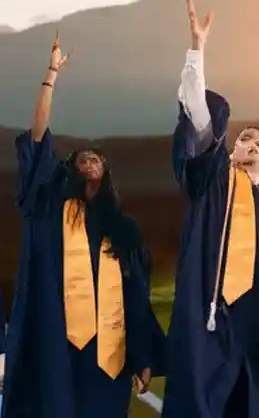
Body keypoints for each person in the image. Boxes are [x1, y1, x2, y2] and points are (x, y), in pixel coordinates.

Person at [2, 32, 164, 418]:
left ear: (107, 172)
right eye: (82, 158)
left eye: (97, 159)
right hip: (58, 346)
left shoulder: (124, 230)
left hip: (108, 358)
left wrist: (142, 356)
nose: (90, 162)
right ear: (70, 168)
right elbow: (38, 137)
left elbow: (136, 296)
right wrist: (51, 76)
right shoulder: (50, 209)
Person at [163, 0, 259, 418]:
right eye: (244, 139)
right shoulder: (216, 181)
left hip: (252, 340)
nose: (251, 143)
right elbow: (202, 123)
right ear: (230, 152)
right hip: (209, 325)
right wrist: (196, 53)